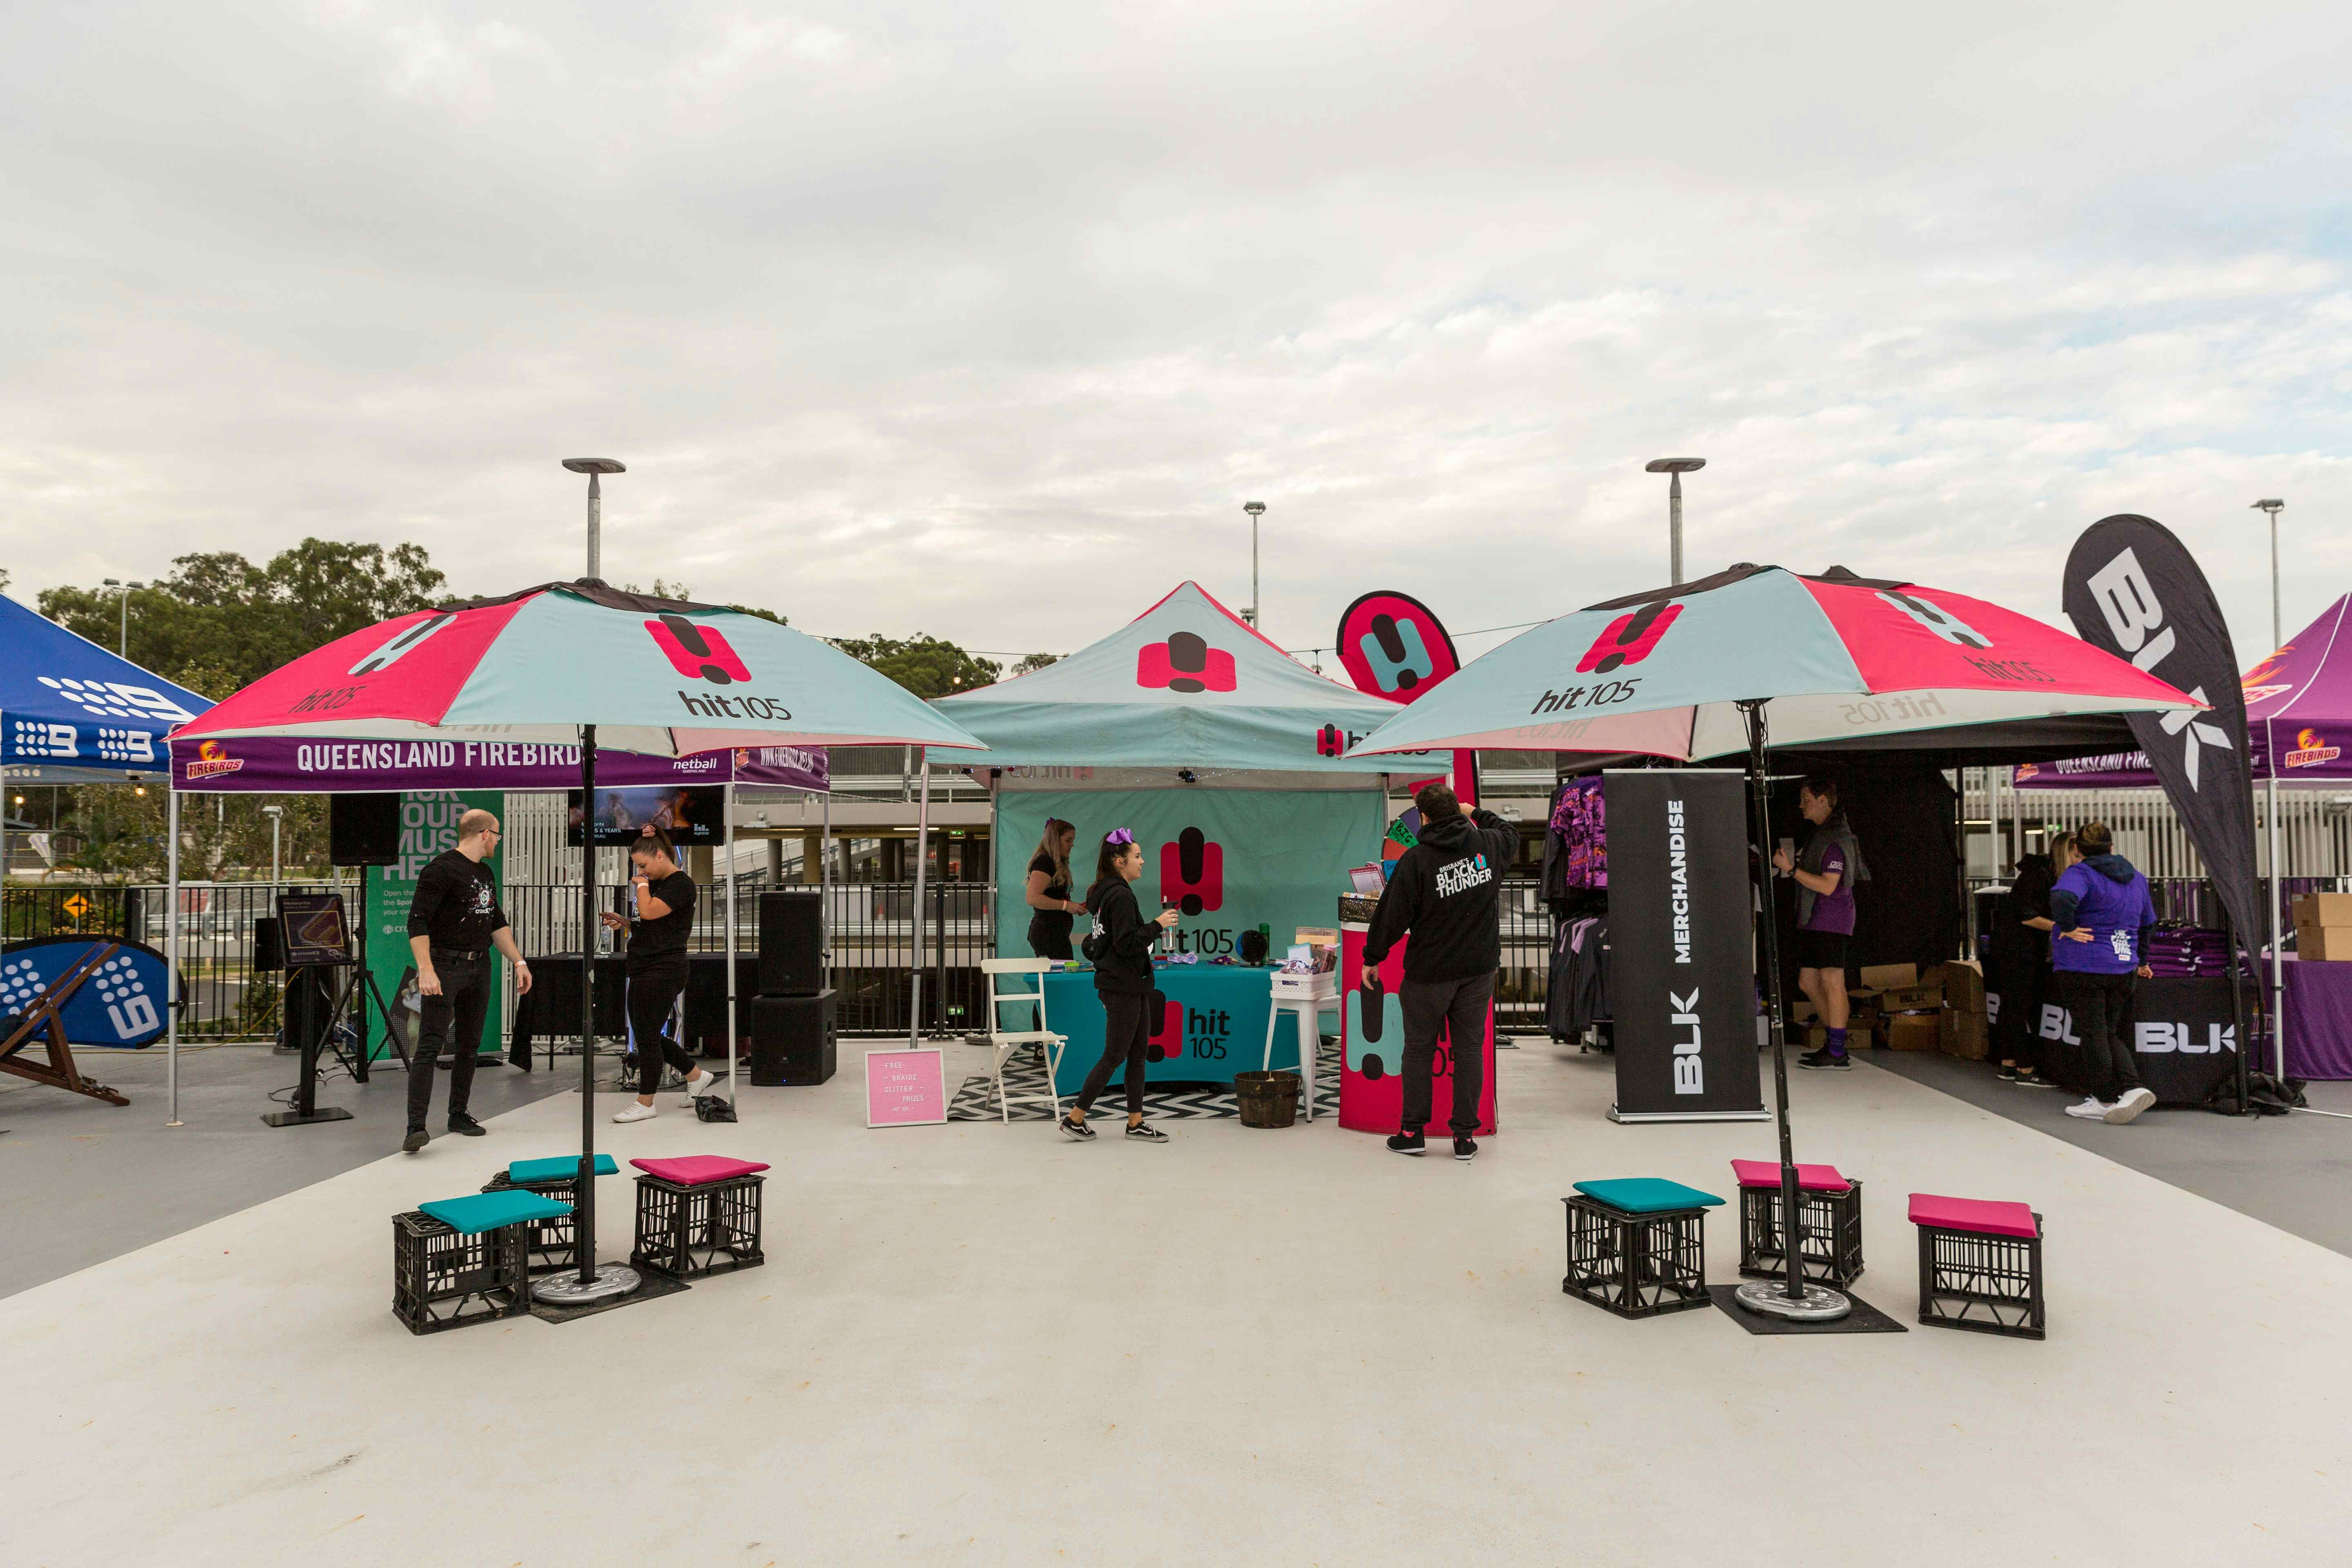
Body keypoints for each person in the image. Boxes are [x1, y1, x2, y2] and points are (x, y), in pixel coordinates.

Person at [1362, 781, 1518, 1161]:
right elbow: (1510, 832)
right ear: (1458, 812)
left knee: (1417, 1050)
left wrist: (1372, 957)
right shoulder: (1489, 846)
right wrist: (1475, 812)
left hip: (1428, 974)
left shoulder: (1416, 861)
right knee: (1469, 1052)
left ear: (1425, 819)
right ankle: (1464, 1138)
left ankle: (1412, 1131)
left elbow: (1392, 915)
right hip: (1478, 971)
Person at [403, 808, 532, 1154]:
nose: (498, 842)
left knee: (469, 1047)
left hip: (480, 966)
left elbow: (496, 922)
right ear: (486, 834)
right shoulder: (441, 869)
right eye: (498, 835)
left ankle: (458, 1114)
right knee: (429, 1046)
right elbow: (417, 922)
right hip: (445, 966)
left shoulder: (485, 873)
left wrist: (518, 960)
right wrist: (426, 969)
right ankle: (415, 1126)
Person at [1058, 828, 1179, 1143]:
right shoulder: (1121, 896)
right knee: (1114, 1055)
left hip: (1131, 985)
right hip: (1122, 985)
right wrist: (1158, 925)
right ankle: (1075, 1118)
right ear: (1119, 861)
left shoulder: (1106, 893)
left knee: (1138, 1055)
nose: (1143, 862)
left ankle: (1136, 1123)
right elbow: (1126, 944)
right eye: (1137, 857)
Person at [602, 827, 728, 1124]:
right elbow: (651, 925)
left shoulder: (680, 884)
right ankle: (696, 1076)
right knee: (647, 1033)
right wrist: (624, 922)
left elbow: (649, 913)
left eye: (643, 866)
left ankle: (646, 1102)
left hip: (664, 968)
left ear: (661, 855)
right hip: (645, 964)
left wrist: (642, 885)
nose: (640, 871)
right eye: (638, 868)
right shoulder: (658, 884)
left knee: (646, 1036)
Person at [2050, 821, 2158, 1125]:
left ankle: (2104, 1099)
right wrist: (2141, 960)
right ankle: (2132, 1087)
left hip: (2083, 965)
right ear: (2112, 848)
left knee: (2093, 1033)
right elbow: (2148, 923)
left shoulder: (2081, 873)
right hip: (2123, 966)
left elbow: (2061, 899)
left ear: (2079, 851)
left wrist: (2069, 928)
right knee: (2107, 1032)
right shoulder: (2136, 878)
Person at [1772, 776, 1868, 1070]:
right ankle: (1835, 1044)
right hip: (1814, 919)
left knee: (1831, 981)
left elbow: (1828, 886)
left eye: (1807, 799)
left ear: (1823, 800)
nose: (1802, 805)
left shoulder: (1836, 839)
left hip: (1832, 918)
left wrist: (1791, 870)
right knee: (1808, 982)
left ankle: (1837, 1051)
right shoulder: (1822, 834)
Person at [1988, 834, 2070, 1087]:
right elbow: (2027, 915)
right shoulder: (2037, 874)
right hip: (2017, 948)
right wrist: (2063, 929)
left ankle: (2009, 1062)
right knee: (2018, 1005)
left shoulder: (2049, 874)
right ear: (2063, 853)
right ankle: (2025, 1068)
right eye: (2076, 855)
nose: (2080, 861)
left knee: (2013, 1005)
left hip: (2021, 947)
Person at [1022, 817, 1086, 960]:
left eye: (1073, 841)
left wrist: (1073, 907)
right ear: (1055, 840)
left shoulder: (1054, 864)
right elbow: (1033, 898)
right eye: (1068, 841)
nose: (1072, 845)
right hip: (1048, 933)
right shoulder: (1044, 862)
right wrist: (1066, 906)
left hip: (1056, 933)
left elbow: (1054, 897)